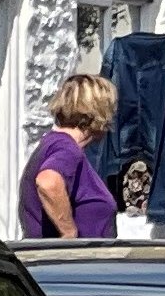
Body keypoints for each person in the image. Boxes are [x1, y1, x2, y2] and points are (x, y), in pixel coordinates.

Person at [22, 74, 118, 239]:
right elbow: (48, 182)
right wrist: (69, 235)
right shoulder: (67, 148)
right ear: (98, 113)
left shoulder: (52, 144)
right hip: (72, 261)